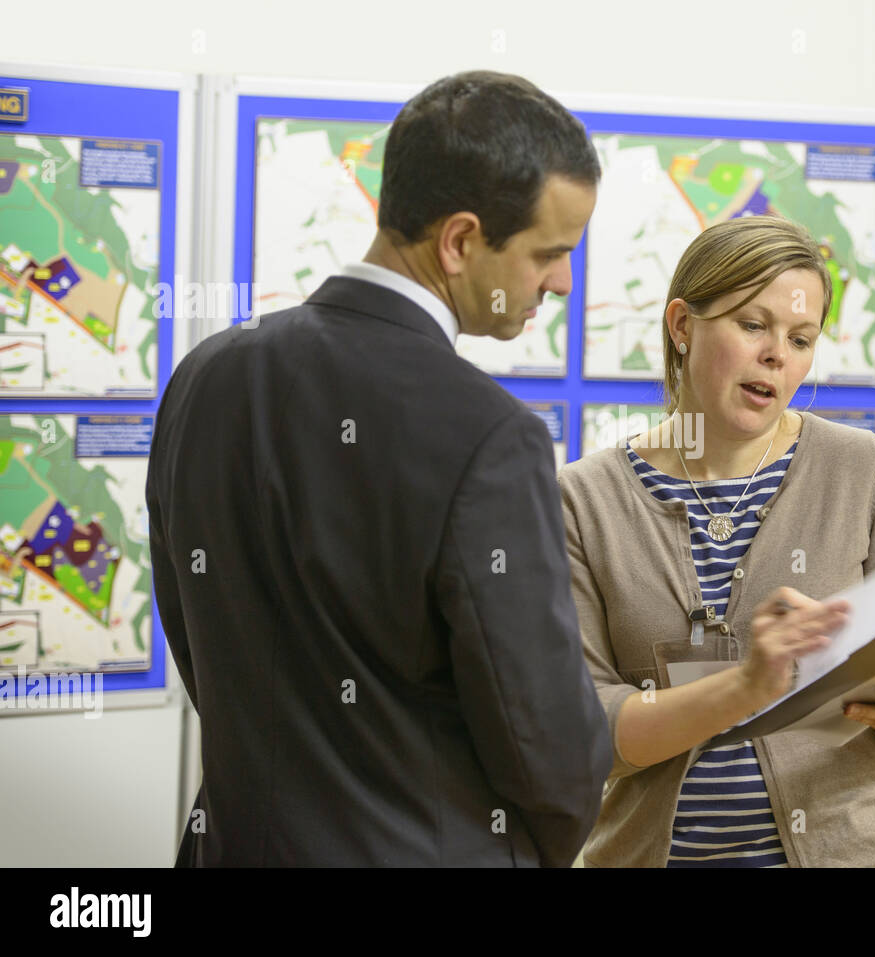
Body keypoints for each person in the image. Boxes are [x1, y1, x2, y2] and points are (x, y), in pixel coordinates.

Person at [147, 71, 611, 866]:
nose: (562, 282)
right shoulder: (491, 435)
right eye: (550, 253)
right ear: (461, 241)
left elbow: (195, 640)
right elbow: (546, 746)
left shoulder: (204, 376)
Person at [558, 215, 875, 867]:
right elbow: (585, 728)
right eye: (753, 325)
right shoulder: (583, 497)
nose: (779, 355)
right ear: (682, 325)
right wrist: (745, 686)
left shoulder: (861, 468)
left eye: (801, 338)